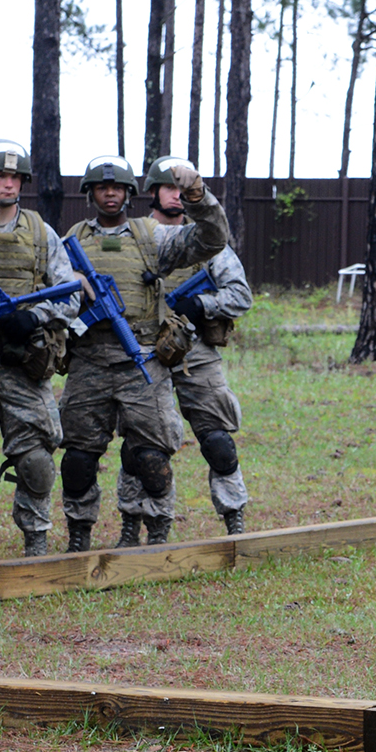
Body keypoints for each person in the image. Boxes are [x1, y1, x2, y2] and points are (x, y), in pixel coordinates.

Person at [58, 154, 220, 549]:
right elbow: (46, 290)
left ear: (129, 193)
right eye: (101, 186)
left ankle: (158, 531)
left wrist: (198, 196)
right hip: (89, 363)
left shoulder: (154, 237)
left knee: (151, 457)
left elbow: (211, 240)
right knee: (78, 460)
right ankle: (79, 536)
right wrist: (72, 283)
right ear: (90, 193)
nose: (109, 193)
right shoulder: (69, 242)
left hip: (142, 362)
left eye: (117, 187)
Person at [0, 138, 73, 556]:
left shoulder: (40, 233)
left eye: (15, 177)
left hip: (24, 361)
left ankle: (36, 541)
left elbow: (71, 295)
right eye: (0, 175)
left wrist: (36, 315)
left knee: (37, 461)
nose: (8, 184)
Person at [144, 153, 257, 536]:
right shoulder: (136, 239)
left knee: (218, 441)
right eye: (168, 187)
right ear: (152, 192)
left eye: (181, 188)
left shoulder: (210, 243)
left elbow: (241, 295)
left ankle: (234, 517)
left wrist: (203, 304)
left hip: (196, 353)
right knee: (144, 444)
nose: (175, 195)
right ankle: (143, 523)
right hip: (145, 352)